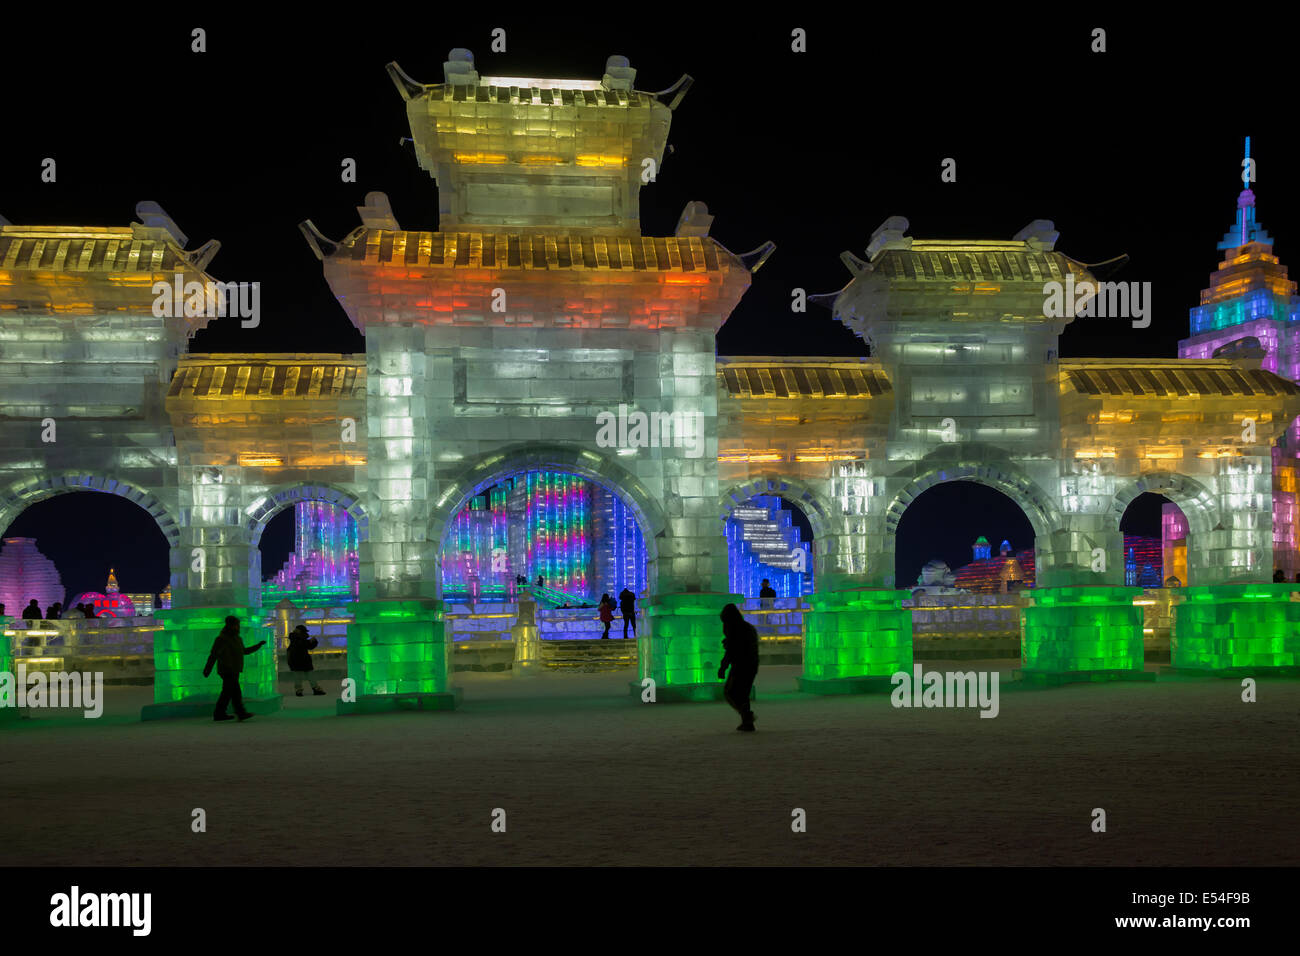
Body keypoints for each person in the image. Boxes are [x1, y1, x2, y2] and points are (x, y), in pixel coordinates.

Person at [202, 615, 267, 722]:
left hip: (235, 669)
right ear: (230, 625)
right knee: (235, 692)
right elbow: (213, 654)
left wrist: (258, 646)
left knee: (228, 692)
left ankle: (221, 713)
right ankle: (238, 712)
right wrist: (207, 669)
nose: (238, 627)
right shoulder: (221, 639)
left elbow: (244, 651)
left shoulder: (237, 638)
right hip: (227, 670)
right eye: (236, 625)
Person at [718, 603, 759, 732]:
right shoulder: (747, 628)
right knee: (742, 693)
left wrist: (723, 667)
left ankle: (747, 717)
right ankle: (747, 720)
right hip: (751, 664)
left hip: (740, 665)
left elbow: (731, 651)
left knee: (730, 692)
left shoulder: (734, 630)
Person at [286, 625, 325, 697]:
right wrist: (312, 641)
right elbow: (305, 645)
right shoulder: (296, 639)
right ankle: (315, 689)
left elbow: (306, 645)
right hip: (300, 661)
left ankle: (299, 691)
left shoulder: (295, 638)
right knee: (308, 676)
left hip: (298, 661)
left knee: (299, 677)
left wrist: (312, 642)